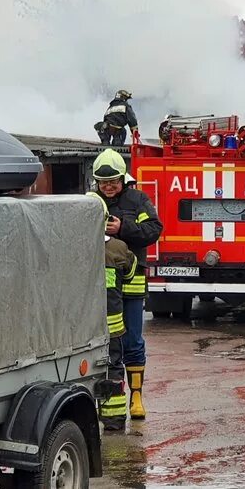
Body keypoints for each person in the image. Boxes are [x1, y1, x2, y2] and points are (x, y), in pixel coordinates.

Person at [91, 148, 162, 420]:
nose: (108, 187)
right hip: (98, 289)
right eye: (103, 183)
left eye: (113, 182)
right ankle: (108, 398)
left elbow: (154, 230)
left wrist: (122, 228)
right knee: (104, 344)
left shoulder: (138, 200)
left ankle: (136, 397)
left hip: (130, 287)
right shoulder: (91, 201)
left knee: (132, 341)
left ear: (123, 179)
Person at [86, 190, 137, 430]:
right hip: (113, 327)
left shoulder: (74, 249)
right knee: (113, 368)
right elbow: (129, 271)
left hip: (82, 327)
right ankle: (114, 421)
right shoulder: (118, 248)